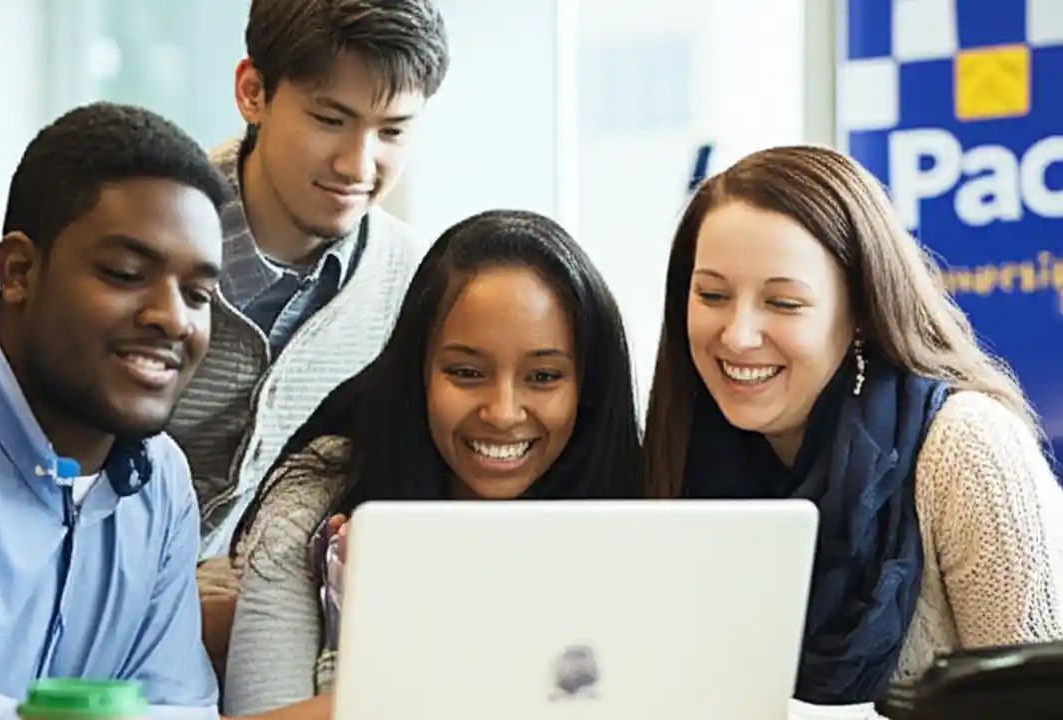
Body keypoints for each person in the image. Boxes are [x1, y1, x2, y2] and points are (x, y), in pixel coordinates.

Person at [0, 102, 329, 720]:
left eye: (198, 294)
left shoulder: (160, 483)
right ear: (19, 270)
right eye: (126, 273)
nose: (173, 318)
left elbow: (181, 706)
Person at [643, 145, 1063, 705]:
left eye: (784, 303)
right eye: (712, 295)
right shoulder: (682, 452)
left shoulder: (966, 449)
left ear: (862, 311)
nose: (738, 334)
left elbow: (1041, 704)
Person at [219, 209, 645, 716]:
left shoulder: (640, 505)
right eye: (466, 372)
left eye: (544, 377)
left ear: (589, 385)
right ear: (417, 369)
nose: (504, 413)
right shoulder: (322, 491)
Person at [163, 0, 450, 673]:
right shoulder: (143, 239)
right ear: (252, 92)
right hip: (105, 652)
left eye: (393, 132)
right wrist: (167, 592)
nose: (358, 164)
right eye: (330, 120)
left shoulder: (417, 284)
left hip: (294, 658)